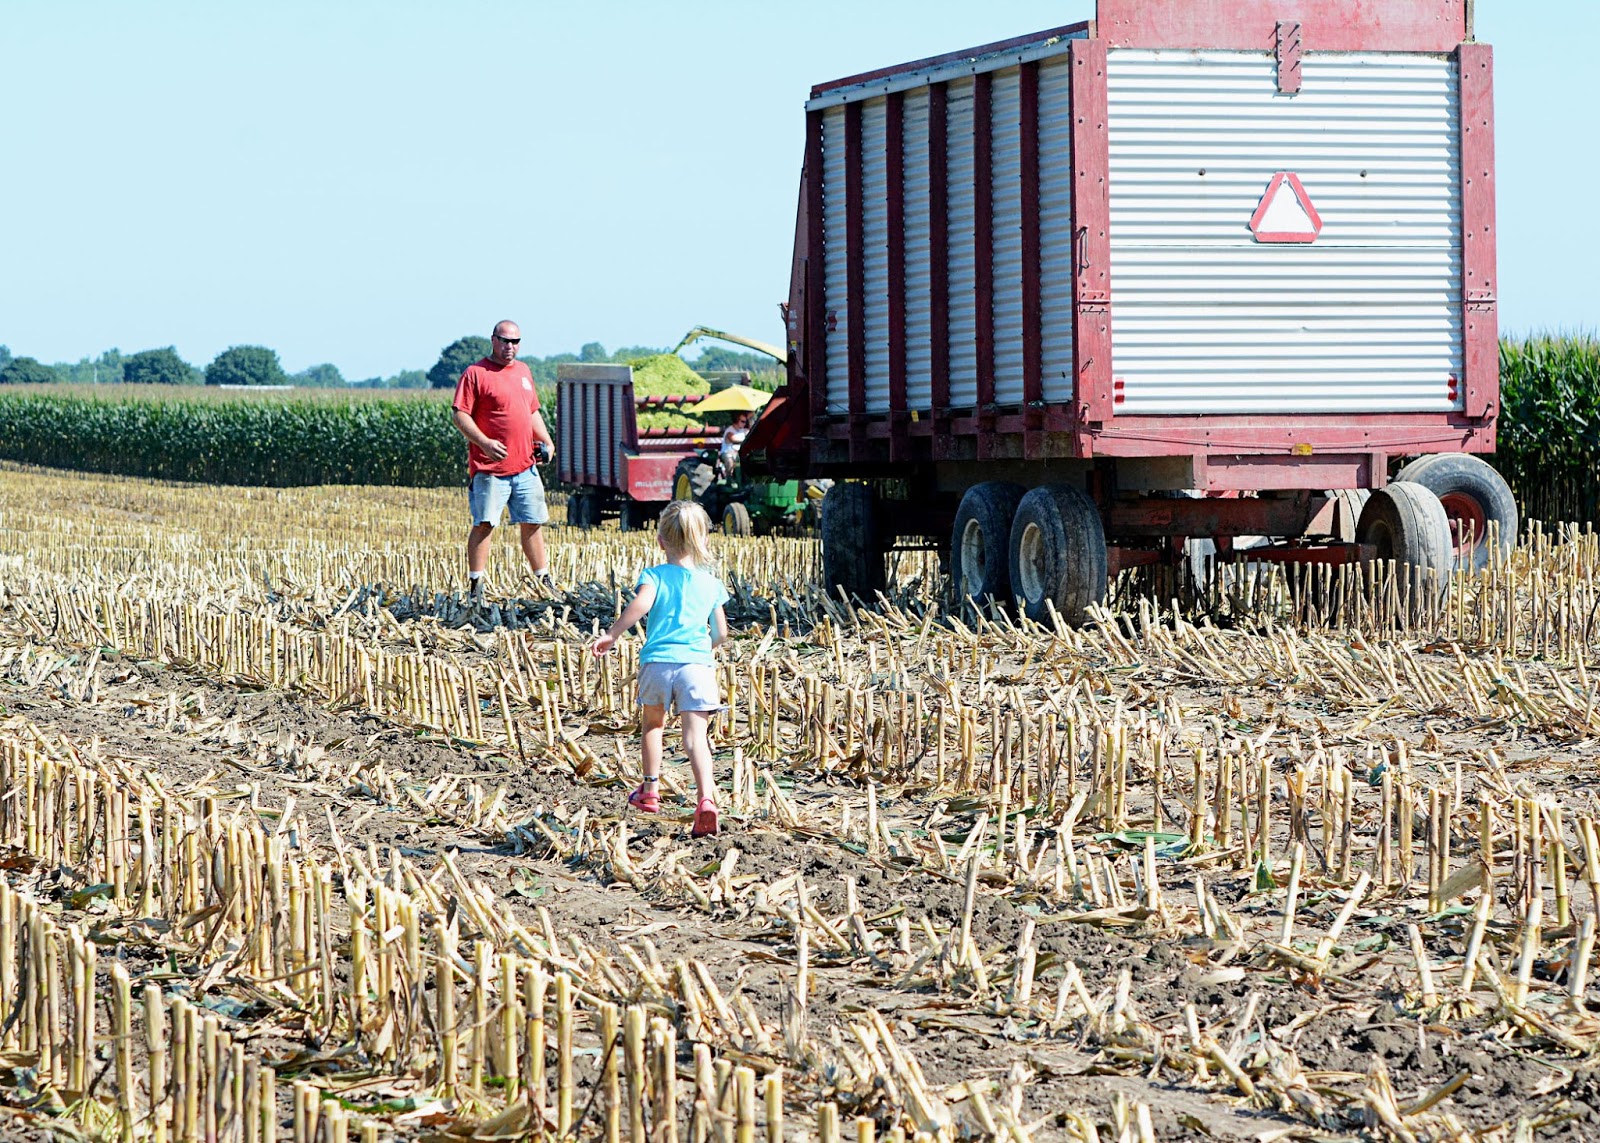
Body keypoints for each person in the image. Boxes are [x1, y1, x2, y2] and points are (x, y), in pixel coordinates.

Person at [591, 500, 730, 837]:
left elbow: (641, 605)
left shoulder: (654, 576)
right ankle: (706, 798)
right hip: (696, 666)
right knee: (696, 737)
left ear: (660, 541)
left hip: (657, 663)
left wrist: (613, 634)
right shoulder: (711, 583)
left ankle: (650, 789)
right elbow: (722, 632)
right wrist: (704, 648)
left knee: (653, 725)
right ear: (704, 540)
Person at [451, 320, 557, 599]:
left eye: (515, 341)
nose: (510, 346)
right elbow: (460, 415)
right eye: (505, 340)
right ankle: (476, 585)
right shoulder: (475, 373)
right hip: (490, 469)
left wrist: (547, 441)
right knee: (485, 524)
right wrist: (484, 443)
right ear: (493, 340)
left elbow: (531, 411)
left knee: (533, 522)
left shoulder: (523, 371)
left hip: (525, 466)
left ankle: (543, 580)